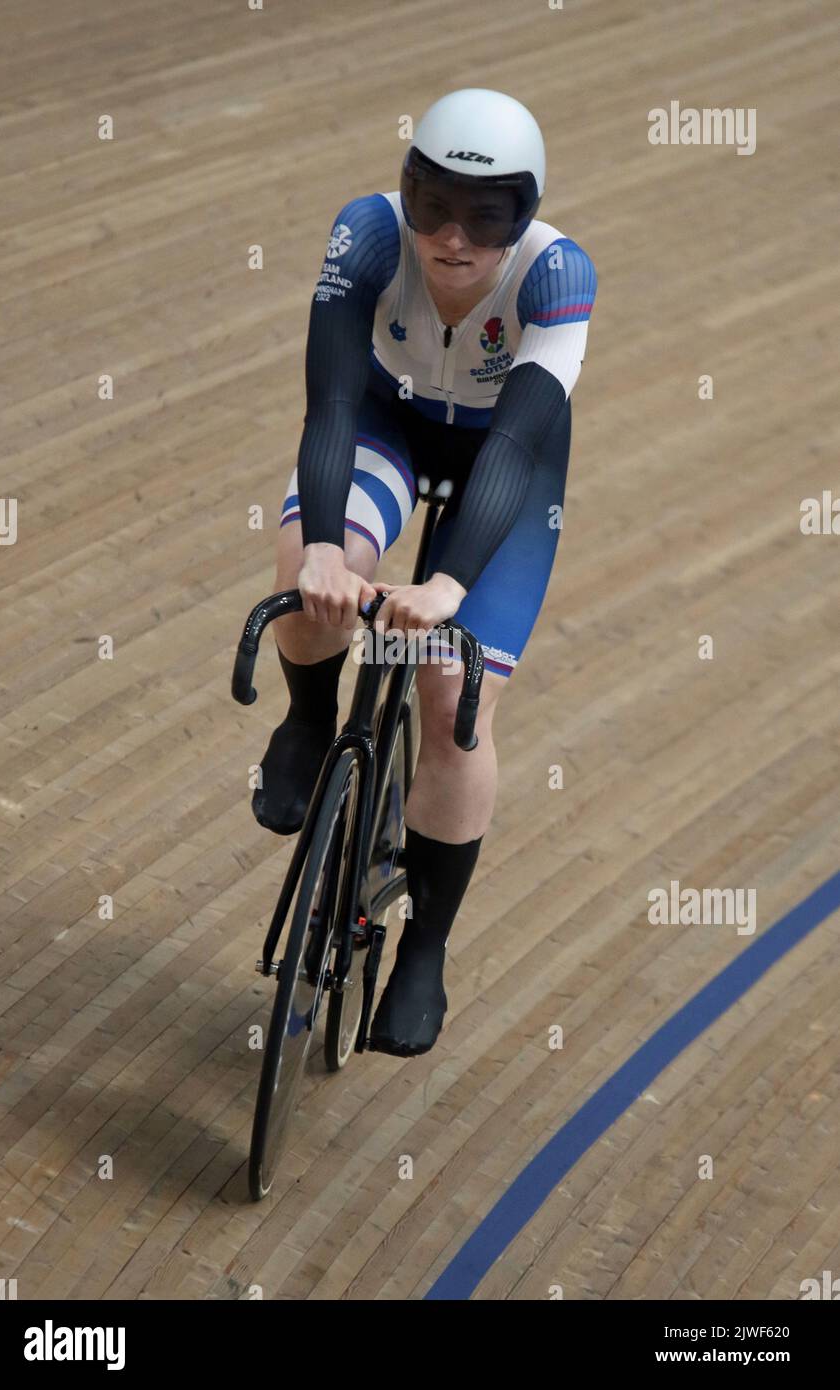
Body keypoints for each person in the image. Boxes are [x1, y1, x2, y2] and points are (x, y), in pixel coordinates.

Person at [252, 88, 597, 1057]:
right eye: (430, 204)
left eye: (482, 218)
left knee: (456, 688)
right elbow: (326, 410)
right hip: (383, 424)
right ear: (404, 191)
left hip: (506, 463)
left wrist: (444, 590)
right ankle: (311, 713)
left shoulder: (557, 277)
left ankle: (423, 950)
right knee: (306, 569)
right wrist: (325, 548)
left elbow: (518, 446)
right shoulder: (366, 237)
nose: (450, 239)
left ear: (523, 216)